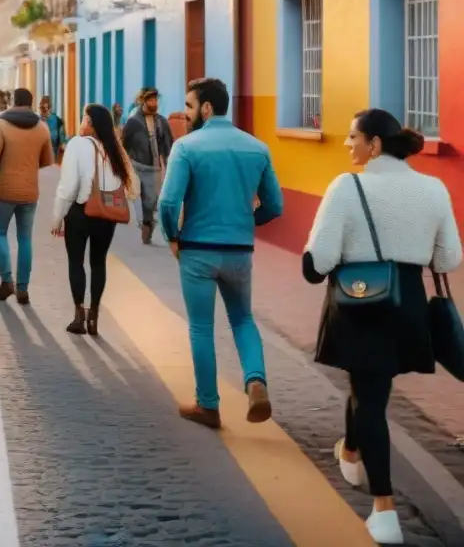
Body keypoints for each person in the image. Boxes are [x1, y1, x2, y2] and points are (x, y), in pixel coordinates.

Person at [303, 108, 461, 544]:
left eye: (353, 136)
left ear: (374, 144)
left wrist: (317, 265)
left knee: (369, 399)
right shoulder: (434, 188)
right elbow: (448, 258)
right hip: (406, 303)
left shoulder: (347, 186)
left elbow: (319, 260)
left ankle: (385, 509)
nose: (347, 143)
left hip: (360, 300)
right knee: (370, 388)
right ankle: (352, 453)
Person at [158, 78, 283, 430]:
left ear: (207, 107)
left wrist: (173, 237)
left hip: (198, 250)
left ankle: (208, 405)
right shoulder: (257, 148)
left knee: (201, 327)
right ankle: (255, 380)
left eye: (189, 106)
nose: (185, 113)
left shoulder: (186, 147)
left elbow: (168, 202)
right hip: (239, 251)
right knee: (243, 319)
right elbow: (275, 205)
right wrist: (247, 221)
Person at [52, 104, 139, 336]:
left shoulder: (77, 144)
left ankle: (79, 315)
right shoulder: (114, 148)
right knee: (98, 263)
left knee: (76, 262)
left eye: (83, 118)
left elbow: (68, 187)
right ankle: (94, 317)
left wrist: (57, 217)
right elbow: (132, 185)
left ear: (90, 123)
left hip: (80, 212)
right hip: (106, 215)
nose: (81, 123)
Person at [0, 88, 54, 304]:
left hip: (4, 190)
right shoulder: (42, 127)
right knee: (25, 239)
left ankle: (7, 281)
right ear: (31, 103)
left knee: (0, 233)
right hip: (29, 191)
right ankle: (23, 288)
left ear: (13, 101)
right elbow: (47, 160)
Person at [123, 87, 174, 244]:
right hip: (137, 165)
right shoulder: (133, 122)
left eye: (155, 100)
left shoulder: (162, 122)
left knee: (150, 201)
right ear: (143, 101)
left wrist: (169, 164)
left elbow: (168, 145)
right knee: (136, 196)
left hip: (154, 168)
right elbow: (124, 143)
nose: (154, 103)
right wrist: (124, 162)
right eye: (151, 100)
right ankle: (143, 223)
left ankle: (148, 224)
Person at [39, 95, 68, 161]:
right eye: (42, 109)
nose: (45, 112)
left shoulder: (58, 121)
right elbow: (63, 143)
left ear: (50, 108)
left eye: (46, 109)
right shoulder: (37, 121)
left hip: (51, 160)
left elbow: (63, 143)